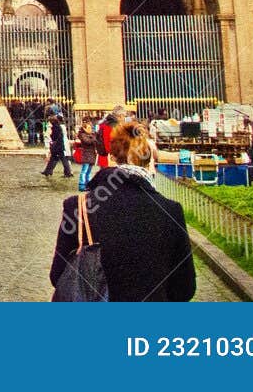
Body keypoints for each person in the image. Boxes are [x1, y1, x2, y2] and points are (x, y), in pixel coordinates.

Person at [50, 120, 195, 301]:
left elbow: (58, 276)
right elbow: (185, 288)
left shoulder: (78, 207)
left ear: (112, 158)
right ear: (149, 163)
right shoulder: (171, 211)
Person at [43, 110, 72, 178]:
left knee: (63, 159)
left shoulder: (56, 127)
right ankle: (47, 171)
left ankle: (68, 172)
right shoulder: (57, 126)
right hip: (58, 145)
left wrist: (53, 142)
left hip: (57, 146)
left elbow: (57, 137)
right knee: (54, 159)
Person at [75, 116, 98, 191]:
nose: (91, 128)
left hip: (91, 154)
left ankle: (88, 184)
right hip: (86, 154)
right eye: (89, 127)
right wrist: (92, 136)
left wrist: (92, 135)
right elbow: (87, 141)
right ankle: (82, 185)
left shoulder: (92, 134)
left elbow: (95, 141)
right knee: (84, 171)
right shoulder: (82, 134)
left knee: (88, 171)